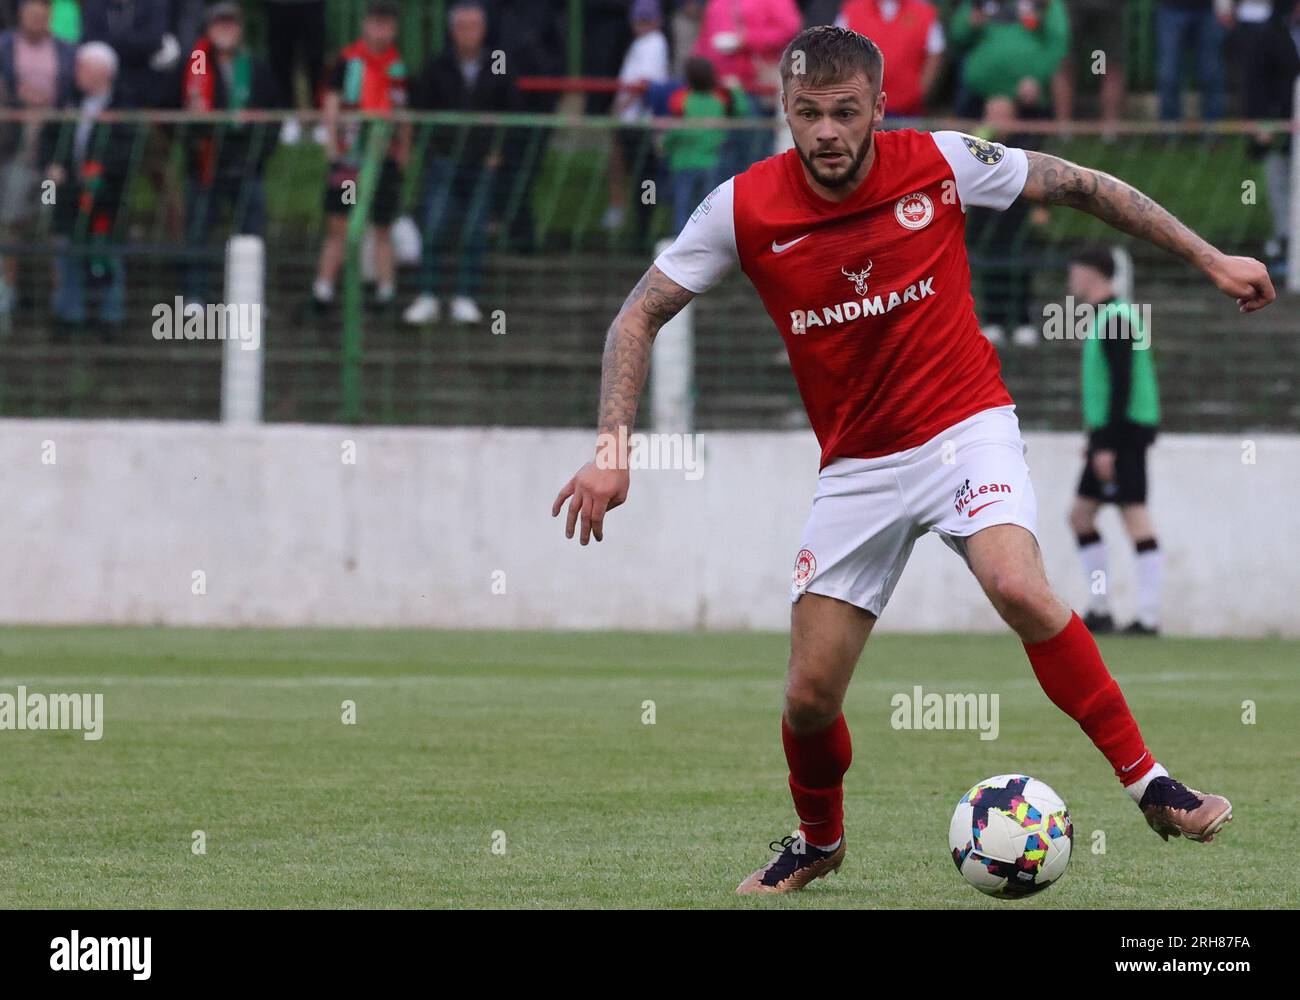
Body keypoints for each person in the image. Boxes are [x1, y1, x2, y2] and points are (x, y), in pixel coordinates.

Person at [552, 25, 1273, 894]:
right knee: (809, 698)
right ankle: (819, 841)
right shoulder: (742, 209)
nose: (825, 132)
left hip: (965, 427)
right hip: (857, 467)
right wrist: (610, 451)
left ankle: (1153, 783)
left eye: (845, 112)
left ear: (879, 108)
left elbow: (1081, 186)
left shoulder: (941, 162)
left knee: (1018, 584)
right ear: (784, 109)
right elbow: (636, 315)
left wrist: (1208, 256)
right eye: (807, 113)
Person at [1065, 246, 1162, 637]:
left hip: (1124, 434)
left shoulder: (1116, 318)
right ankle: (1101, 607)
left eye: (1076, 270)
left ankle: (1148, 617)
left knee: (1133, 514)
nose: (1071, 278)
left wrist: (1107, 445)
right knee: (1081, 515)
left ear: (1092, 273)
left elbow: (1122, 385)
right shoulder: (1108, 317)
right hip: (1113, 433)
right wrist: (1096, 439)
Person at [402, 0, 517, 326]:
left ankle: (465, 295)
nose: (468, 33)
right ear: (452, 31)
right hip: (444, 159)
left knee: (474, 231)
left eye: (474, 26)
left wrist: (498, 150)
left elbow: (511, 109)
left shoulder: (498, 62)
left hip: (481, 161)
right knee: (435, 226)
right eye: (462, 26)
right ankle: (428, 294)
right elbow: (421, 110)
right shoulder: (437, 65)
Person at [311, 0, 409, 313]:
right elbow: (332, 103)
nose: (380, 30)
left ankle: (386, 291)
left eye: (387, 24)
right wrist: (331, 147)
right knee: (339, 223)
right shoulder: (348, 60)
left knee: (382, 226)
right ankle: (323, 289)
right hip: (351, 161)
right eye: (376, 22)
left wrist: (403, 151)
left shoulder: (398, 66)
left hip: (383, 160)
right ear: (366, 25)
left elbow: (403, 112)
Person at [181, 2, 281, 305]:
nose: (225, 29)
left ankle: (249, 298)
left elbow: (274, 114)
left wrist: (259, 152)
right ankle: (195, 296)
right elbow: (189, 104)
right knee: (199, 229)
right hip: (206, 162)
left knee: (250, 234)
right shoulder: (198, 60)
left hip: (248, 163)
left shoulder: (255, 67)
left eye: (231, 23)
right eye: (219, 23)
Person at [43, 40, 139, 337]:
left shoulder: (123, 107)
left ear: (103, 72)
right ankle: (69, 314)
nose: (76, 72)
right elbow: (50, 138)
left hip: (107, 194)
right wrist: (52, 166)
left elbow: (127, 149)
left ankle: (111, 316)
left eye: (83, 66)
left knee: (107, 254)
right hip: (69, 193)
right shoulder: (69, 103)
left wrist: (101, 170)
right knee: (67, 251)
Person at [0, 0, 76, 311]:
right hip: (17, 152)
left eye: (41, 15)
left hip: (50, 151)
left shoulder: (65, 50)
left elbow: (71, 93)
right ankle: (7, 296)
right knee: (11, 219)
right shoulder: (4, 46)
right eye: (31, 13)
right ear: (20, 15)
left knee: (48, 217)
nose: (36, 19)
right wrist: (20, 99)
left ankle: (56, 301)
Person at [665, 56, 748, 233]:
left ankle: (681, 246)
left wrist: (666, 144)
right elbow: (742, 109)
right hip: (711, 162)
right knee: (708, 210)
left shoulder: (682, 100)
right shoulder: (719, 101)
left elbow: (676, 130)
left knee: (682, 208)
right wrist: (736, 89)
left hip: (683, 162)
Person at [948, 0, 1070, 119]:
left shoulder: (1046, 3)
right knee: (996, 110)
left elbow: (1058, 46)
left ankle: (1063, 135)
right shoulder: (978, 3)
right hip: (980, 88)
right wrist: (971, 24)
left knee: (999, 111)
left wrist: (1039, 79)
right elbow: (957, 37)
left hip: (1028, 87)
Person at [836, 0, 944, 118]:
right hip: (862, 106)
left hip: (908, 109)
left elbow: (935, 52)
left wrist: (920, 92)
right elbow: (836, 50)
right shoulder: (853, 8)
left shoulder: (923, 11)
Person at [1155, 0, 1230, 121]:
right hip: (1170, 9)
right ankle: (1169, 132)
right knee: (1168, 74)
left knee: (1211, 73)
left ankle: (1213, 131)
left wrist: (1224, 7)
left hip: (1207, 10)